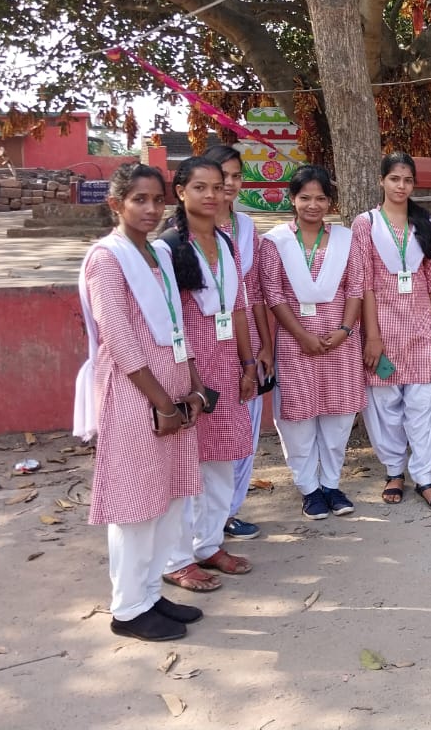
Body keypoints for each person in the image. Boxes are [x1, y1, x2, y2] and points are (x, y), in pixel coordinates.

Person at [75, 163, 206, 642]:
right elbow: (122, 339)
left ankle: (150, 594)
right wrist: (163, 404)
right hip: (135, 394)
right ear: (116, 204)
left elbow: (178, 326)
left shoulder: (158, 253)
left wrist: (192, 387)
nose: (151, 209)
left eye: (157, 200)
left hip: (170, 390)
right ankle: (128, 608)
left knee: (168, 497)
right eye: (139, 200)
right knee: (137, 503)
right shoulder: (106, 259)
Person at [160, 157, 257, 591]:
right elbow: (169, 319)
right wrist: (191, 377)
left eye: (218, 187)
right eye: (200, 187)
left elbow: (237, 307)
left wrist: (248, 361)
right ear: (181, 191)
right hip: (189, 368)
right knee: (186, 466)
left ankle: (209, 543)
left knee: (221, 461)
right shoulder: (168, 248)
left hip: (226, 363)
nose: (212, 195)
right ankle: (176, 557)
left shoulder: (226, 241)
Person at [259, 165, 364, 521]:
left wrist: (346, 330)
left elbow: (356, 287)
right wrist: (302, 336)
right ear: (293, 199)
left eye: (321, 198)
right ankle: (308, 488)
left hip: (340, 338)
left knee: (338, 415)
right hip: (295, 339)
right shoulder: (275, 242)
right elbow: (272, 292)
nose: (313, 205)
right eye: (305, 197)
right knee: (298, 417)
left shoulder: (346, 239)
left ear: (330, 202)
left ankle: (332, 484)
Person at [357, 153, 431, 512]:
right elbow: (364, 284)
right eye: (394, 179)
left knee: (424, 403)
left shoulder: (424, 222)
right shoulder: (366, 225)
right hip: (383, 328)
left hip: (423, 327)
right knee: (386, 405)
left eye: (407, 180)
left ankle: (425, 476)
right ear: (382, 181)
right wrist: (373, 335)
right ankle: (394, 471)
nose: (401, 186)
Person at [203, 145, 274, 542]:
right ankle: (205, 518)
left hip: (243, 341)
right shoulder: (188, 231)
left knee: (244, 429)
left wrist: (265, 347)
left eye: (234, 177)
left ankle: (230, 511)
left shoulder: (247, 228)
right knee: (213, 429)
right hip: (206, 340)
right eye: (220, 177)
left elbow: (256, 292)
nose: (227, 185)